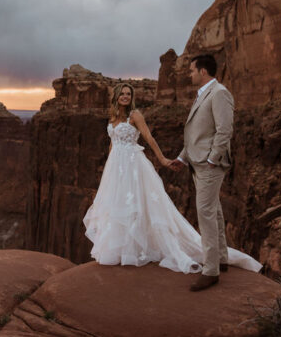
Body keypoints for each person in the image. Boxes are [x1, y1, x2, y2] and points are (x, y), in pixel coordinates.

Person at [83, 80, 261, 281]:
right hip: (116, 166)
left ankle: (140, 249)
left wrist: (163, 160)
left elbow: (149, 139)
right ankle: (122, 249)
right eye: (122, 94)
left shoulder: (135, 115)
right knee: (117, 206)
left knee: (137, 205)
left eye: (128, 94)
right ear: (116, 97)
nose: (125, 97)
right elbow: (112, 144)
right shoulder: (114, 117)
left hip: (133, 164)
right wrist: (109, 168)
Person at [168, 54, 255, 291]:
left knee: (205, 212)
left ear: (203, 71)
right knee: (214, 210)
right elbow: (198, 133)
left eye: (192, 70)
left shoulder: (219, 93)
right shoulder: (203, 94)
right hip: (197, 161)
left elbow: (224, 130)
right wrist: (182, 158)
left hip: (209, 165)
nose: (190, 74)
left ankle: (211, 271)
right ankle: (222, 259)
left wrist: (212, 159)